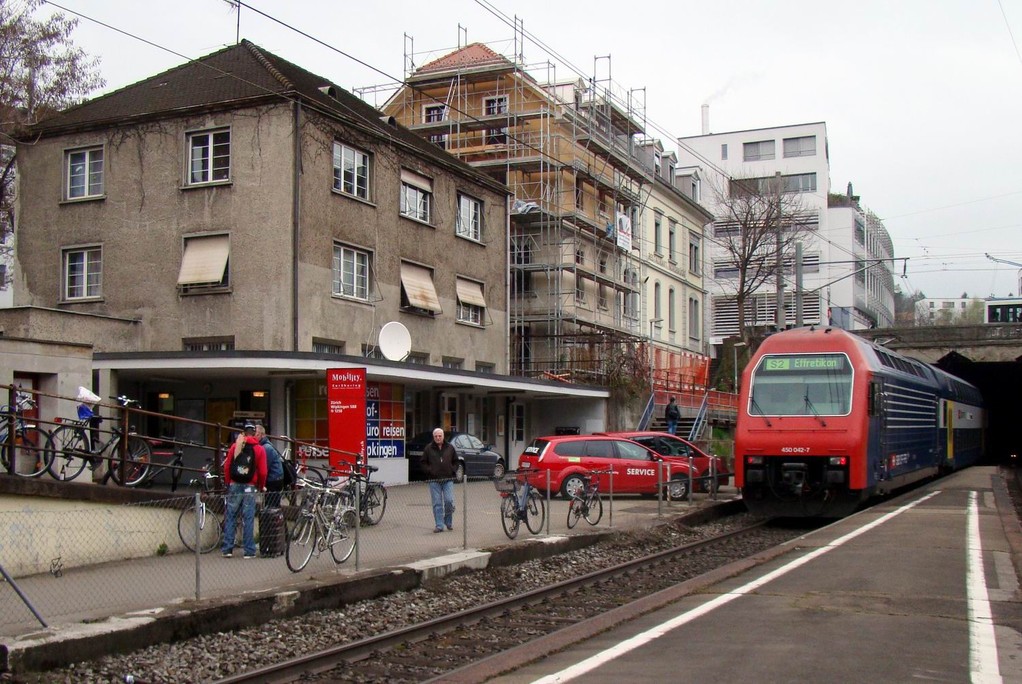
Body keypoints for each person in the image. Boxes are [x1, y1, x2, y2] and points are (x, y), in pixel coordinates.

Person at [221, 422, 268, 558]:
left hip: (235, 483)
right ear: (254, 433)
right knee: (248, 517)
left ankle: (227, 549)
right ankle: (249, 550)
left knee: (231, 515)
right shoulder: (259, 449)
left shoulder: (235, 446)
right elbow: (263, 471)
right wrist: (261, 485)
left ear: (243, 432)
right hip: (250, 485)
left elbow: (227, 466)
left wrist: (229, 482)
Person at [420, 427, 457, 533]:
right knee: (437, 503)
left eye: (440, 436)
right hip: (434, 480)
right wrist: (429, 471)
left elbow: (456, 461)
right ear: (433, 437)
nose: (438, 438)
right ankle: (439, 525)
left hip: (448, 479)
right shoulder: (428, 448)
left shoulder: (450, 447)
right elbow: (423, 462)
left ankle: (448, 521)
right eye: (436, 436)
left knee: (449, 501)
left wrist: (452, 470)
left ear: (443, 436)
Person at [255, 424, 285, 507]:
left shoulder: (266, 448)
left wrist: (259, 482)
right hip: (275, 477)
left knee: (271, 504)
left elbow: (264, 467)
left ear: (263, 435)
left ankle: (273, 518)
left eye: (257, 434)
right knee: (272, 503)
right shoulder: (265, 446)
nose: (254, 436)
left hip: (273, 479)